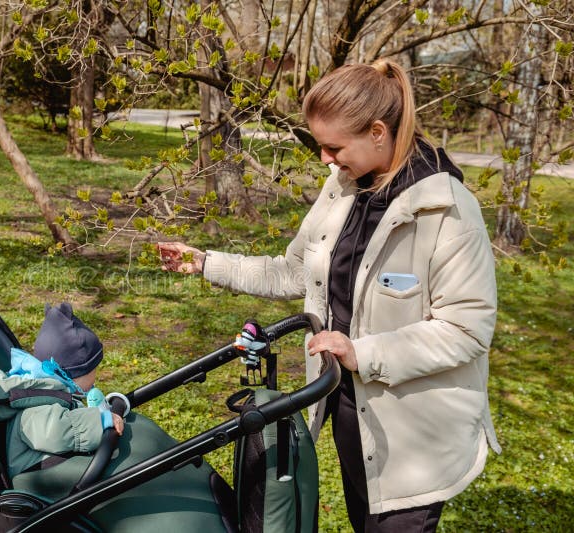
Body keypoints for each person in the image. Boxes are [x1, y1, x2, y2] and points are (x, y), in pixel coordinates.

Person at [158, 59, 500, 532]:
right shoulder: (342, 187)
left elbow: (466, 329)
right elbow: (293, 273)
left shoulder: (447, 210)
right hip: (348, 412)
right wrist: (205, 262)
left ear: (378, 131)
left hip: (414, 436)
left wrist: (360, 351)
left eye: (333, 146)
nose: (324, 159)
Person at [0, 302, 124, 479]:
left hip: (51, 465)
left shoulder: (51, 390)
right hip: (34, 477)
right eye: (92, 372)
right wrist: (99, 421)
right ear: (71, 373)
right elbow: (54, 432)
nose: (95, 380)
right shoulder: (36, 400)